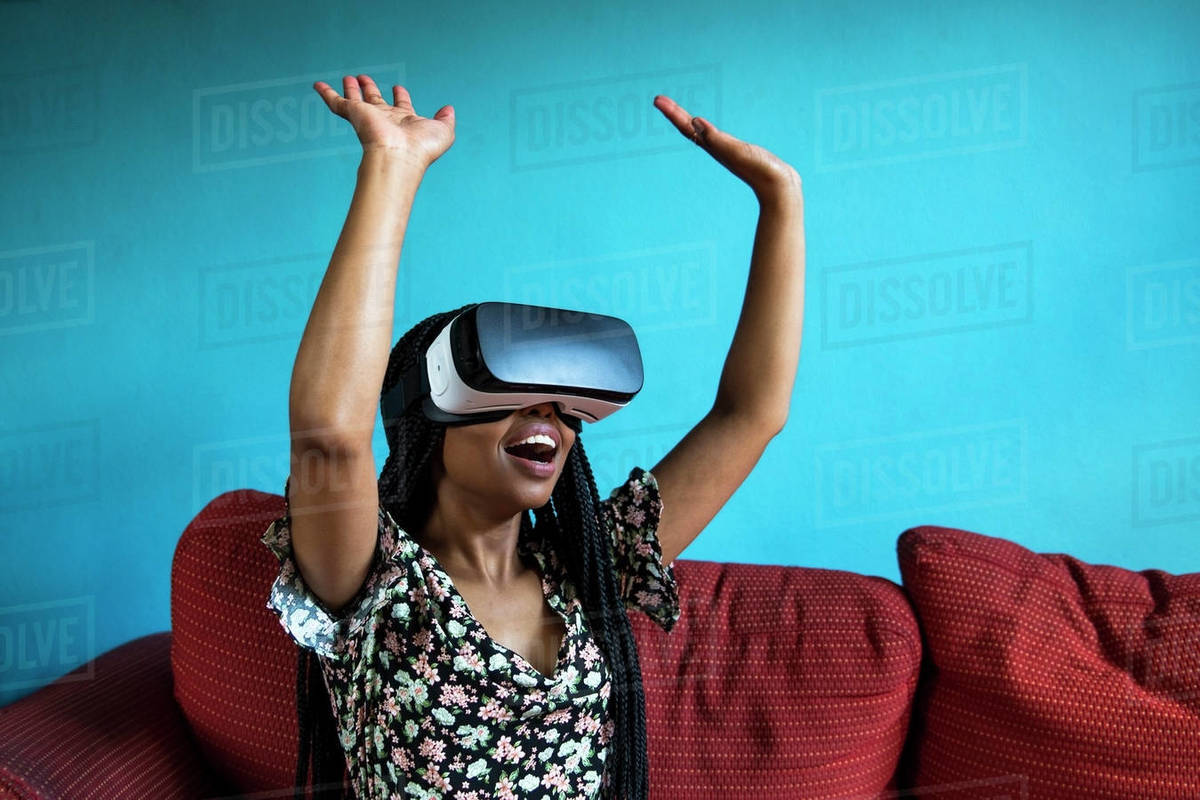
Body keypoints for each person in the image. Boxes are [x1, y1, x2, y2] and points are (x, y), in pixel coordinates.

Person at [261, 75, 805, 800]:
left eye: (564, 406)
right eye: (511, 396)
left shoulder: (587, 570)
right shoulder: (375, 588)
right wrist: (391, 165)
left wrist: (781, 201)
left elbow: (751, 415)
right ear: (431, 418)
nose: (546, 417)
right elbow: (329, 438)